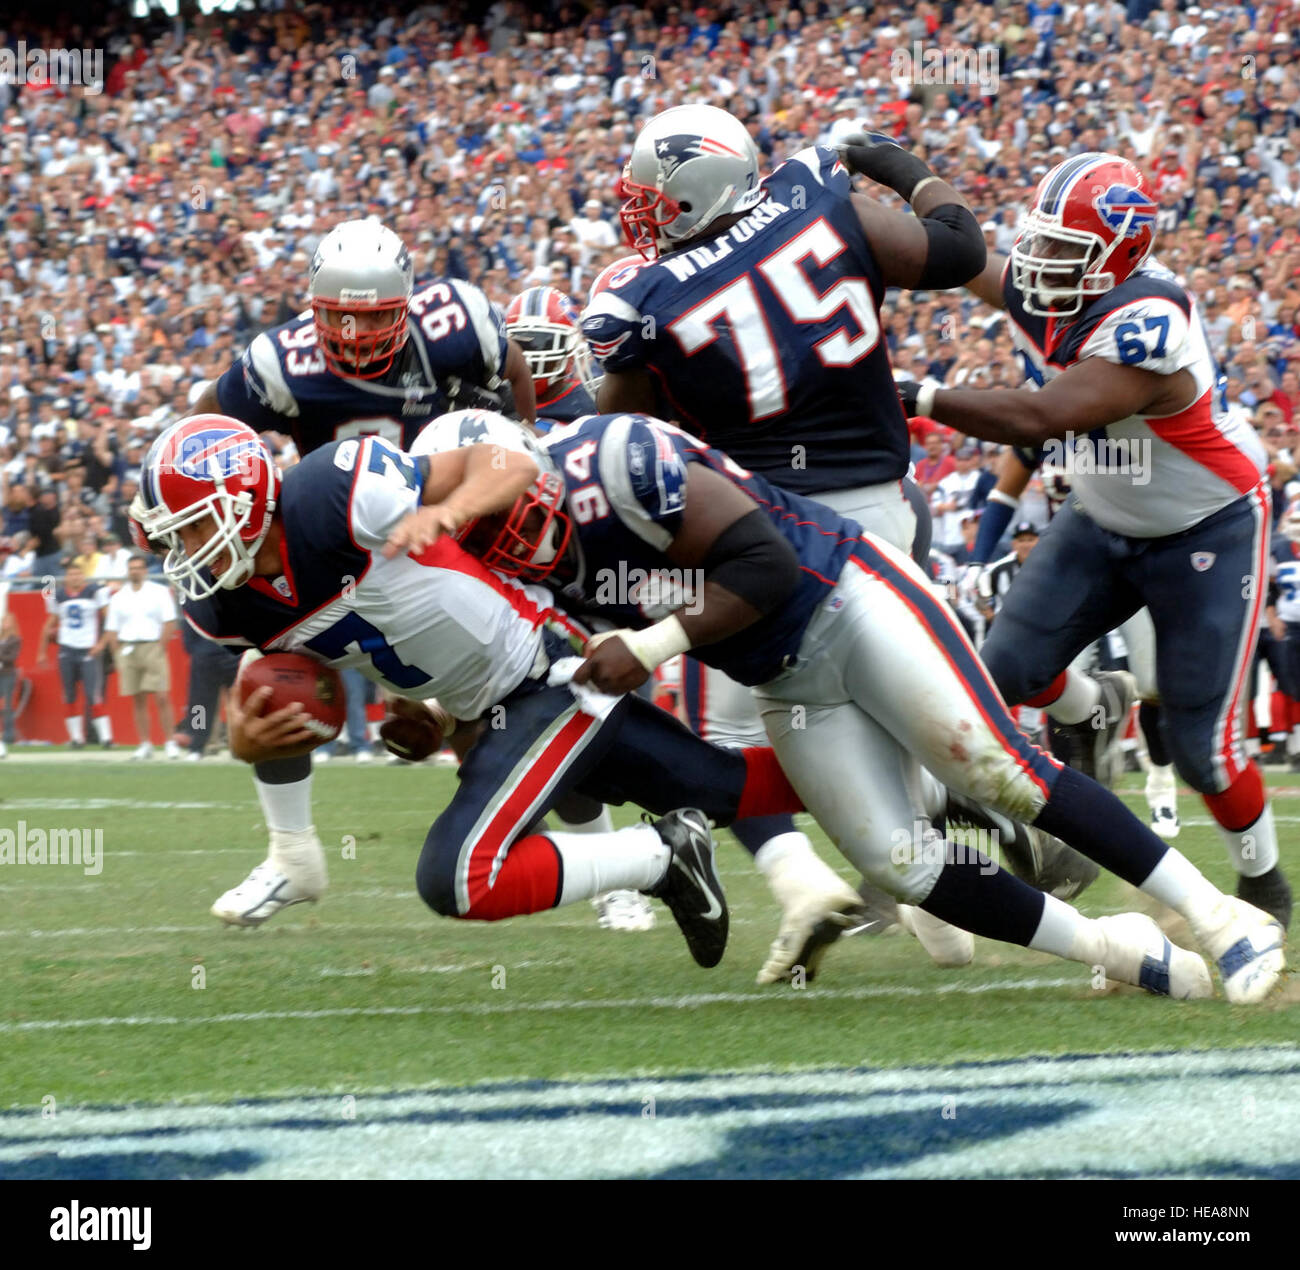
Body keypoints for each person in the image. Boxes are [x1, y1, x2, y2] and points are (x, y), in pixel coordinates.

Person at [446, 407, 1286, 1004]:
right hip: (785, 677)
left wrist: (650, 645)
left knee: (1002, 771)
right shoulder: (528, 569)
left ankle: (1219, 917)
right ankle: (1111, 944)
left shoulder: (614, 459)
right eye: (489, 533)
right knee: (898, 862)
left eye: (510, 507)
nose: (514, 536)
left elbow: (763, 567)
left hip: (847, 597)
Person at [131, 413, 808, 972]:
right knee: (726, 789)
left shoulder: (330, 492)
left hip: (549, 669)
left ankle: (660, 858)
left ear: (247, 500)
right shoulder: (224, 606)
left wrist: (446, 511)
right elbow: (283, 694)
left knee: (457, 876)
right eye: (173, 536)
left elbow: (509, 465)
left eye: (192, 526)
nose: (184, 552)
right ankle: (910, 792)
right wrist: (254, 746)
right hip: (493, 706)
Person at [579, 109, 1006, 966]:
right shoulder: (820, 205)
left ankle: (804, 879)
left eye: (656, 201)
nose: (643, 216)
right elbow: (958, 246)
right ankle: (957, 880)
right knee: (899, 713)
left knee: (734, 740)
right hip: (882, 509)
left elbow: (623, 436)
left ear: (698, 195)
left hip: (771, 535)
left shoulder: (652, 300)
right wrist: (882, 156)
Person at [893, 151, 1290, 926]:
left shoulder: (1152, 321)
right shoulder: (1063, 287)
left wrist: (922, 392)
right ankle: (1093, 708)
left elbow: (1041, 419)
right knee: (1000, 672)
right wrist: (901, 174)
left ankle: (1263, 880)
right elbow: (965, 252)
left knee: (1203, 745)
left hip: (1204, 528)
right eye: (1041, 243)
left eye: (1062, 251)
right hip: (1104, 516)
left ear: (1121, 254)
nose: (1039, 265)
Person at [189, 218, 537, 456]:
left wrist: (523, 432)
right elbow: (208, 416)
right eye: (344, 315)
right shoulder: (280, 362)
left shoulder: (455, 324)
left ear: (405, 305)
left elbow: (517, 367)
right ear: (315, 307)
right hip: (336, 528)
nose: (358, 332)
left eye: (375, 315)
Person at [96, 553, 179, 760]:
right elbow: (112, 628)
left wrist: (160, 646)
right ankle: (145, 743)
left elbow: (169, 621)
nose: (135, 571)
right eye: (132, 568)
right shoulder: (118, 597)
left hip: (152, 645)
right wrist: (117, 653)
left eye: (139, 567)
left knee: (161, 696)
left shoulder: (159, 592)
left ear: (145, 570)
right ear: (127, 571)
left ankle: (169, 741)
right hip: (127, 647)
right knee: (138, 699)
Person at [36, 561, 113, 748]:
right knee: (69, 695)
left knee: (92, 694)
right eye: (71, 574)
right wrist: (41, 651)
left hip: (88, 648)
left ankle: (106, 738)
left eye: (78, 574)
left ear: (83, 576)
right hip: (67, 649)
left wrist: (101, 644)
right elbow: (49, 624)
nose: (75, 577)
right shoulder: (59, 596)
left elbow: (110, 619)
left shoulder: (94, 592)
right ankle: (76, 738)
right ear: (67, 577)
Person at [503, 285, 598, 430]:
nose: (531, 356)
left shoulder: (589, 406)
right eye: (522, 344)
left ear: (570, 347)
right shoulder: (498, 399)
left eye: (543, 342)